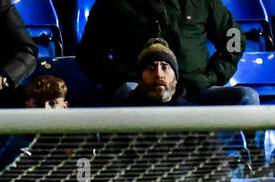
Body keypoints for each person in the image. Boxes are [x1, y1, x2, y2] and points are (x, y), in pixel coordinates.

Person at [77, 0, 257, 106]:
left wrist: (209, 77)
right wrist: (132, 79)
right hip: (139, 93)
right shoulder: (112, 4)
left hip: (194, 89)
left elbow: (234, 37)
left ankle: (250, 165)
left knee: (247, 97)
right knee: (127, 91)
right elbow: (88, 54)